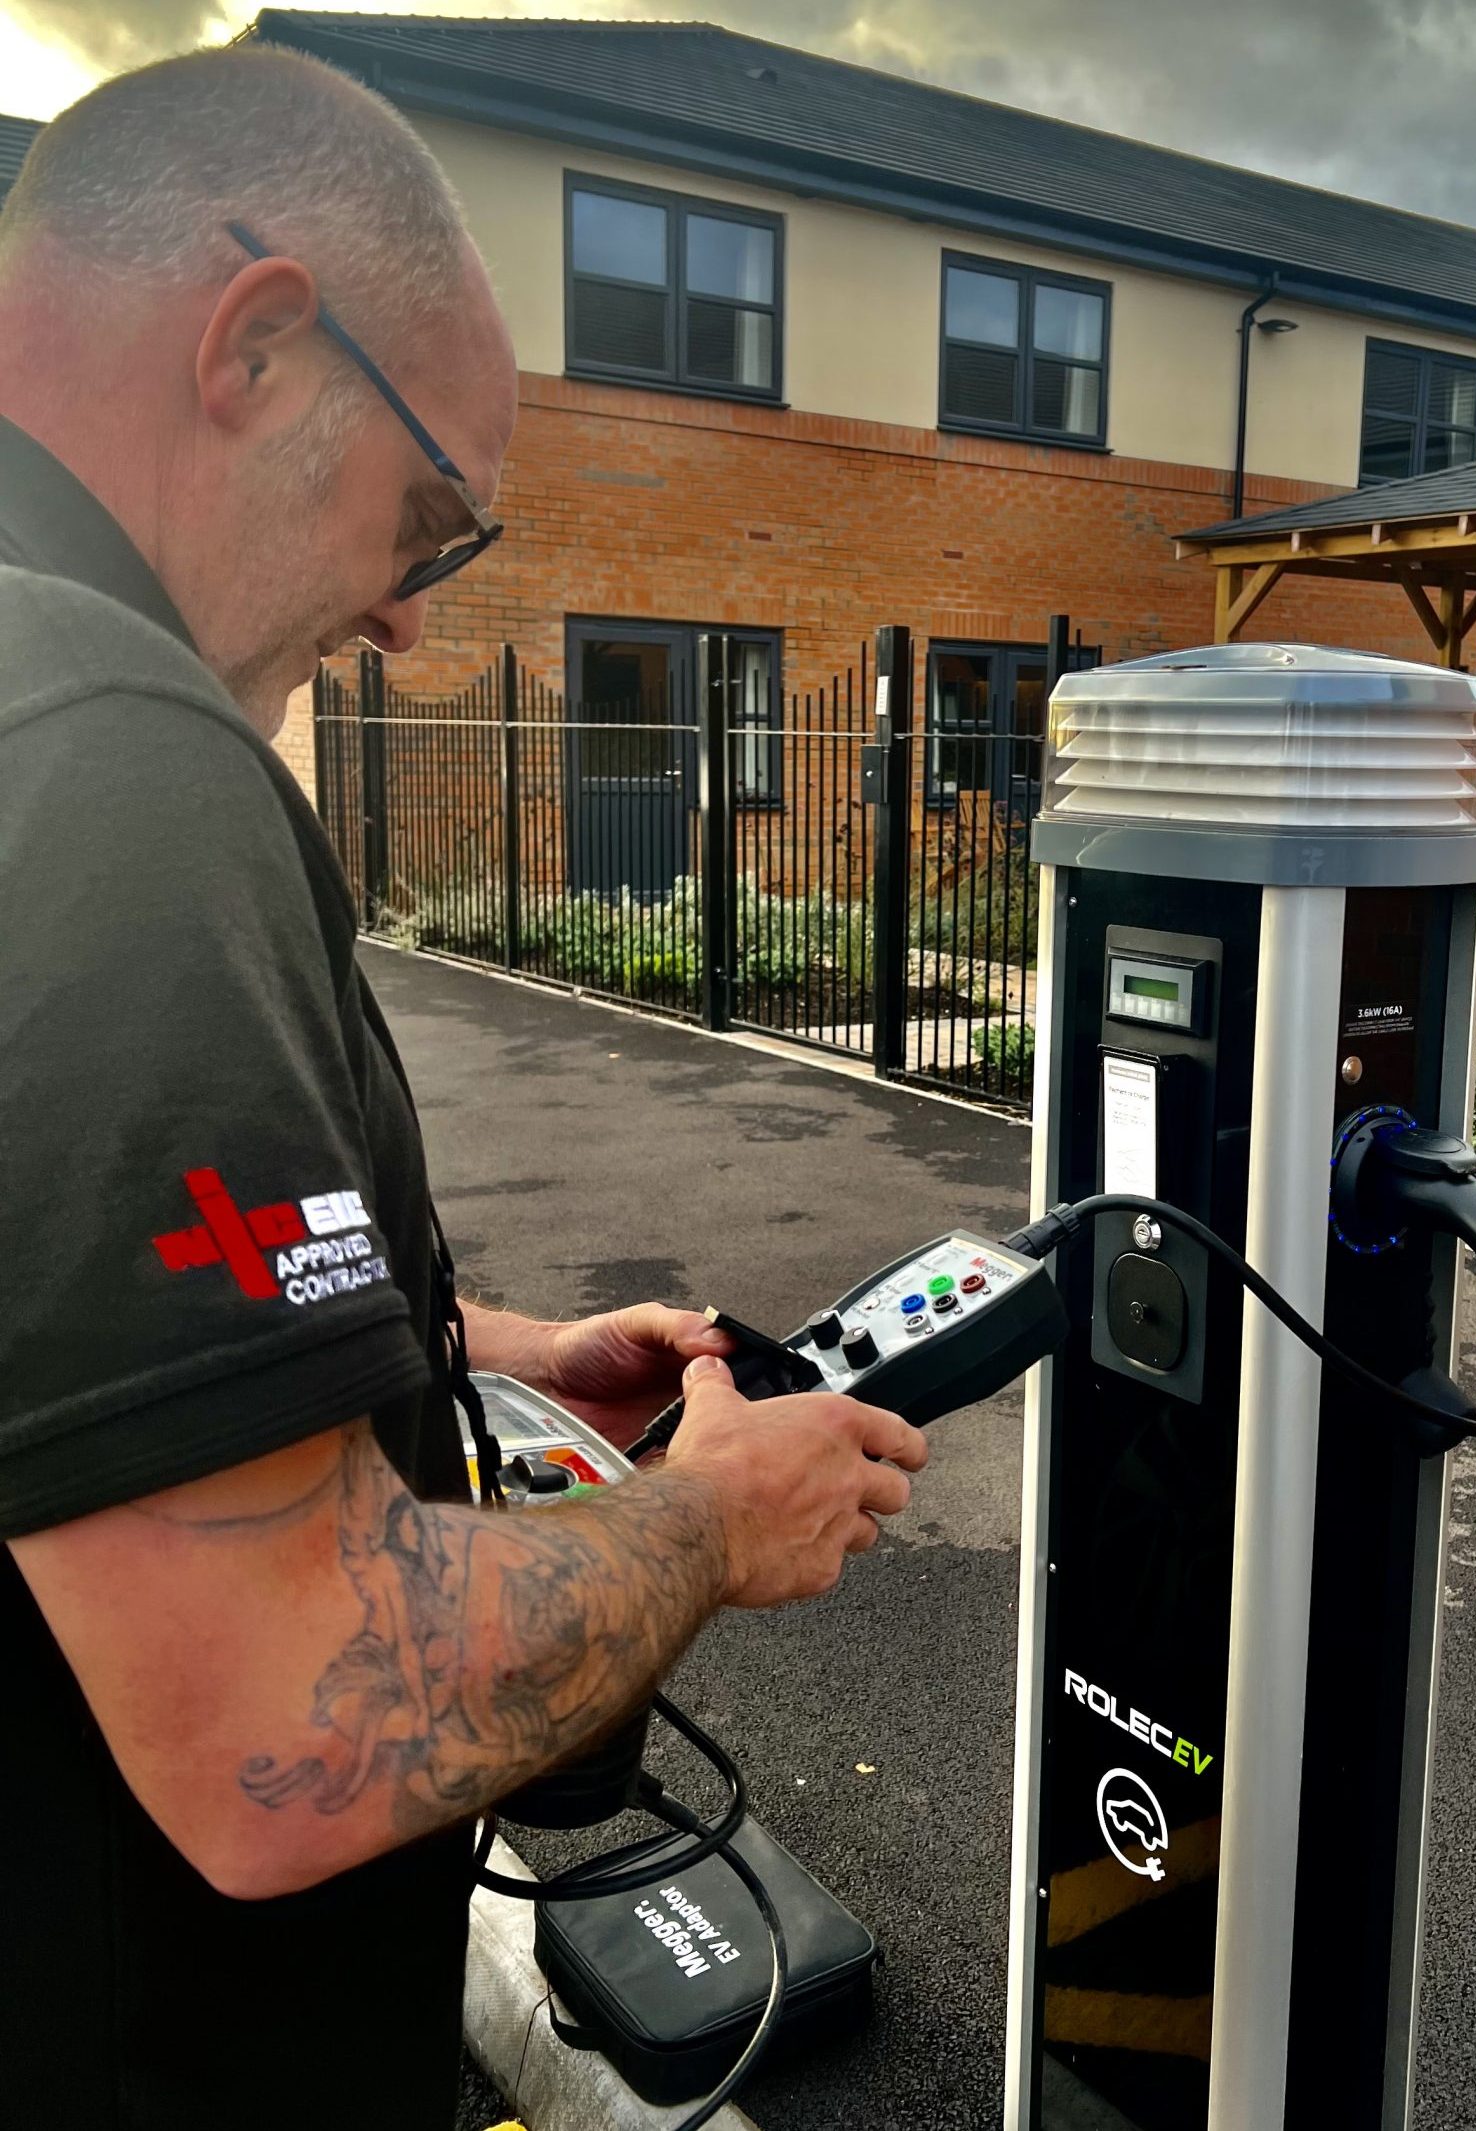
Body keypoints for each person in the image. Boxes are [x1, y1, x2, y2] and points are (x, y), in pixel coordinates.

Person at [0, 44, 927, 2130]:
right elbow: (281, 1731)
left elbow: (63, 1313)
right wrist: (714, 1517)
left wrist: (468, 1348)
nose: (420, 618)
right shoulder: (109, 767)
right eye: (431, 515)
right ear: (255, 346)